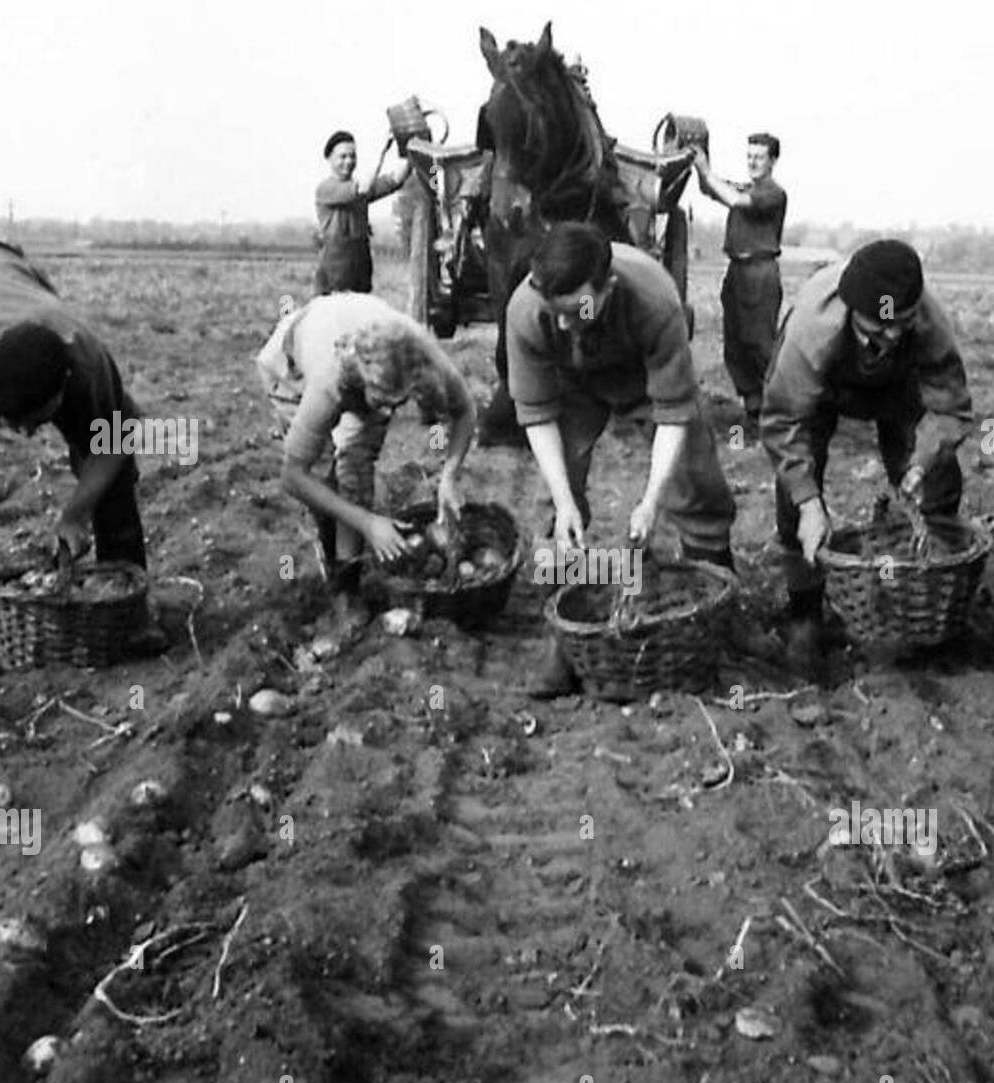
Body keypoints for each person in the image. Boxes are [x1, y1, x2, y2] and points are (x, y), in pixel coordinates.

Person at [506, 221, 737, 697]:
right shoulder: (527, 311)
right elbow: (537, 415)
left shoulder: (655, 302)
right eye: (557, 313)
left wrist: (651, 502)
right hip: (572, 384)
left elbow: (673, 412)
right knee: (558, 504)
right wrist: (565, 498)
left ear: (607, 288)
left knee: (696, 480)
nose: (565, 322)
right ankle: (565, 638)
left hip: (638, 374)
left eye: (578, 310)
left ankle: (715, 611)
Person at [760, 238, 973, 659]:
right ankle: (805, 614)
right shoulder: (812, 331)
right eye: (880, 326)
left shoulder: (928, 322)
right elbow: (785, 422)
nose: (893, 334)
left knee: (938, 482)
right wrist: (808, 503)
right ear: (853, 311)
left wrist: (920, 464)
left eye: (901, 322)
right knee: (796, 493)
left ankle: (927, 601)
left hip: (899, 388)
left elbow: (950, 408)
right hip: (822, 391)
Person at [256, 293, 476, 620]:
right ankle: (339, 578)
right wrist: (367, 522)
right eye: (383, 402)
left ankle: (350, 579)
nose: (388, 413)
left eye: (398, 403)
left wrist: (449, 476)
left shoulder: (419, 353)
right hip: (288, 369)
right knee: (322, 480)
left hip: (357, 350)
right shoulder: (329, 381)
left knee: (356, 468)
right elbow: (293, 476)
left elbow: (465, 411)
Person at [0, 238, 149, 571]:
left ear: (63, 386)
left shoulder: (85, 358)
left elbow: (120, 436)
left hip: (8, 272)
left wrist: (75, 513)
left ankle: (121, 595)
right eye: (14, 423)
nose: (28, 433)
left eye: (35, 420)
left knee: (109, 468)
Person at [693, 133, 787, 421]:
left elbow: (736, 201)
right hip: (737, 272)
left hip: (760, 273)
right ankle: (753, 412)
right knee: (737, 345)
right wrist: (698, 163)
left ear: (772, 161)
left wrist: (707, 171)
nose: (753, 162)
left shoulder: (772, 193)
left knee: (760, 344)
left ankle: (780, 411)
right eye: (749, 156)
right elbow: (711, 190)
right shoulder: (749, 188)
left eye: (759, 157)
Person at [314, 129, 411, 295]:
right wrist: (382, 149)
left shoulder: (359, 191)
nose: (349, 161)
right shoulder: (327, 189)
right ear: (329, 159)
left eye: (352, 156)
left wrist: (413, 155)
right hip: (335, 272)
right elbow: (364, 187)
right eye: (342, 157)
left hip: (361, 267)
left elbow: (395, 180)